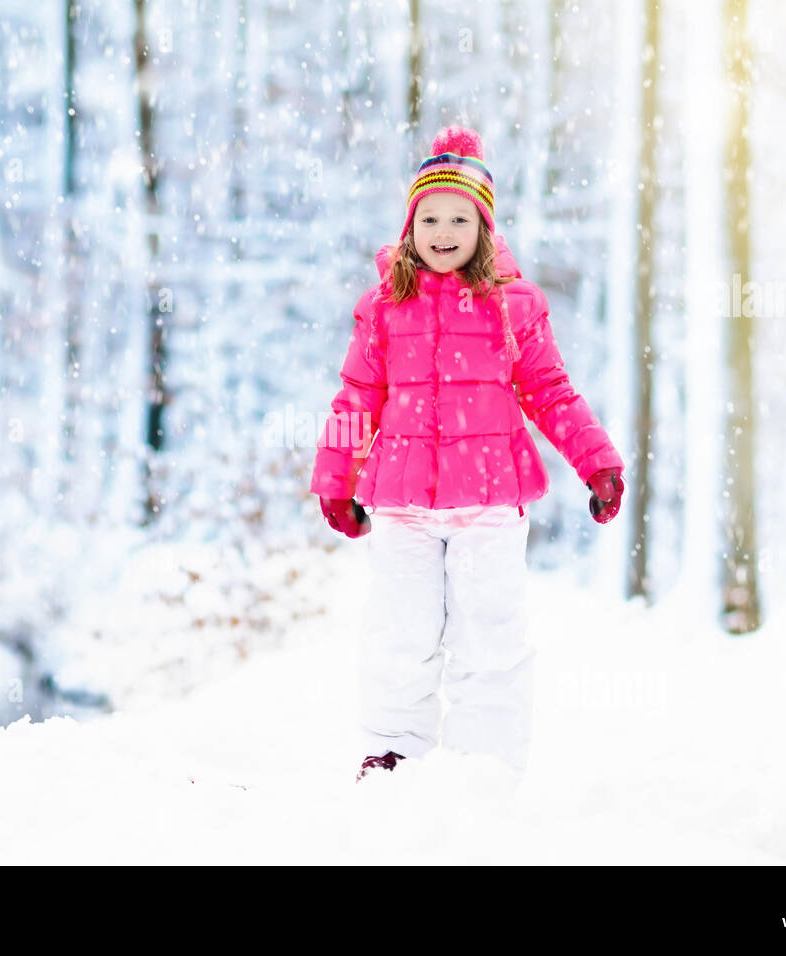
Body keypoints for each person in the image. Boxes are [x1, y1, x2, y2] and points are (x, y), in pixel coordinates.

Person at [310, 126, 626, 784]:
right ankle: (393, 752)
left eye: (460, 217)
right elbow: (355, 400)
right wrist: (335, 481)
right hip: (402, 504)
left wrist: (596, 463)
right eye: (429, 216)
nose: (443, 229)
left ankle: (484, 764)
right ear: (409, 226)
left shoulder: (513, 307)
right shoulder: (384, 307)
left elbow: (551, 393)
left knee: (491, 635)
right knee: (402, 633)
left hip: (489, 501)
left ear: (485, 228)